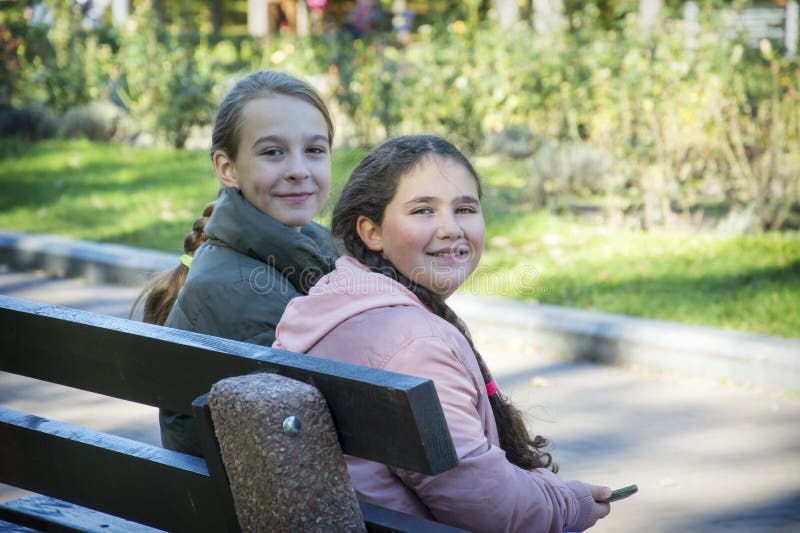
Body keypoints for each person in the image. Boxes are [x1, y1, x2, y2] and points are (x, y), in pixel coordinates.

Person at [274, 135, 612, 532]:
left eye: (465, 209)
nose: (450, 228)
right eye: (422, 210)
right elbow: (493, 509)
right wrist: (570, 502)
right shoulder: (413, 344)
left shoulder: (334, 302)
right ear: (372, 231)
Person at [132, 70, 338, 456]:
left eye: (314, 150)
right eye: (273, 152)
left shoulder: (307, 245)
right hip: (260, 501)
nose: (298, 169)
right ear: (226, 168)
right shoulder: (238, 292)